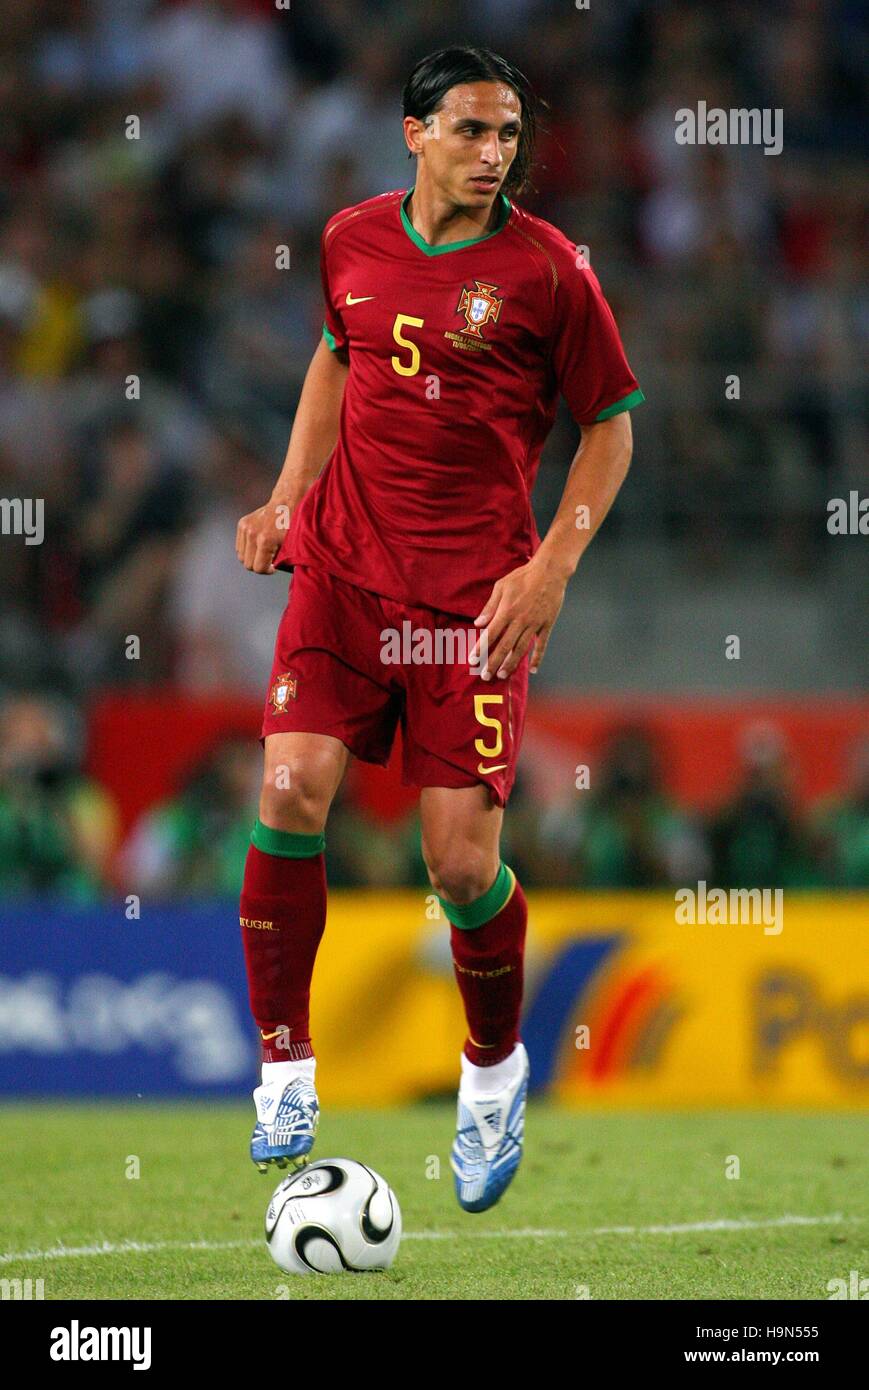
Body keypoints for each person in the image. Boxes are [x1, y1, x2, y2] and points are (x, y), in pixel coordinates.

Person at [234, 46, 643, 1212]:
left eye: (507, 132)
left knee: (459, 863)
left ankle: (492, 1069)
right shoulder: (350, 238)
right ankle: (284, 1071)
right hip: (341, 571)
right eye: (470, 129)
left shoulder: (550, 272)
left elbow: (609, 428)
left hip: (472, 602)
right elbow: (334, 361)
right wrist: (286, 495)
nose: (493, 152)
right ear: (413, 134)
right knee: (288, 791)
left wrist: (550, 566)